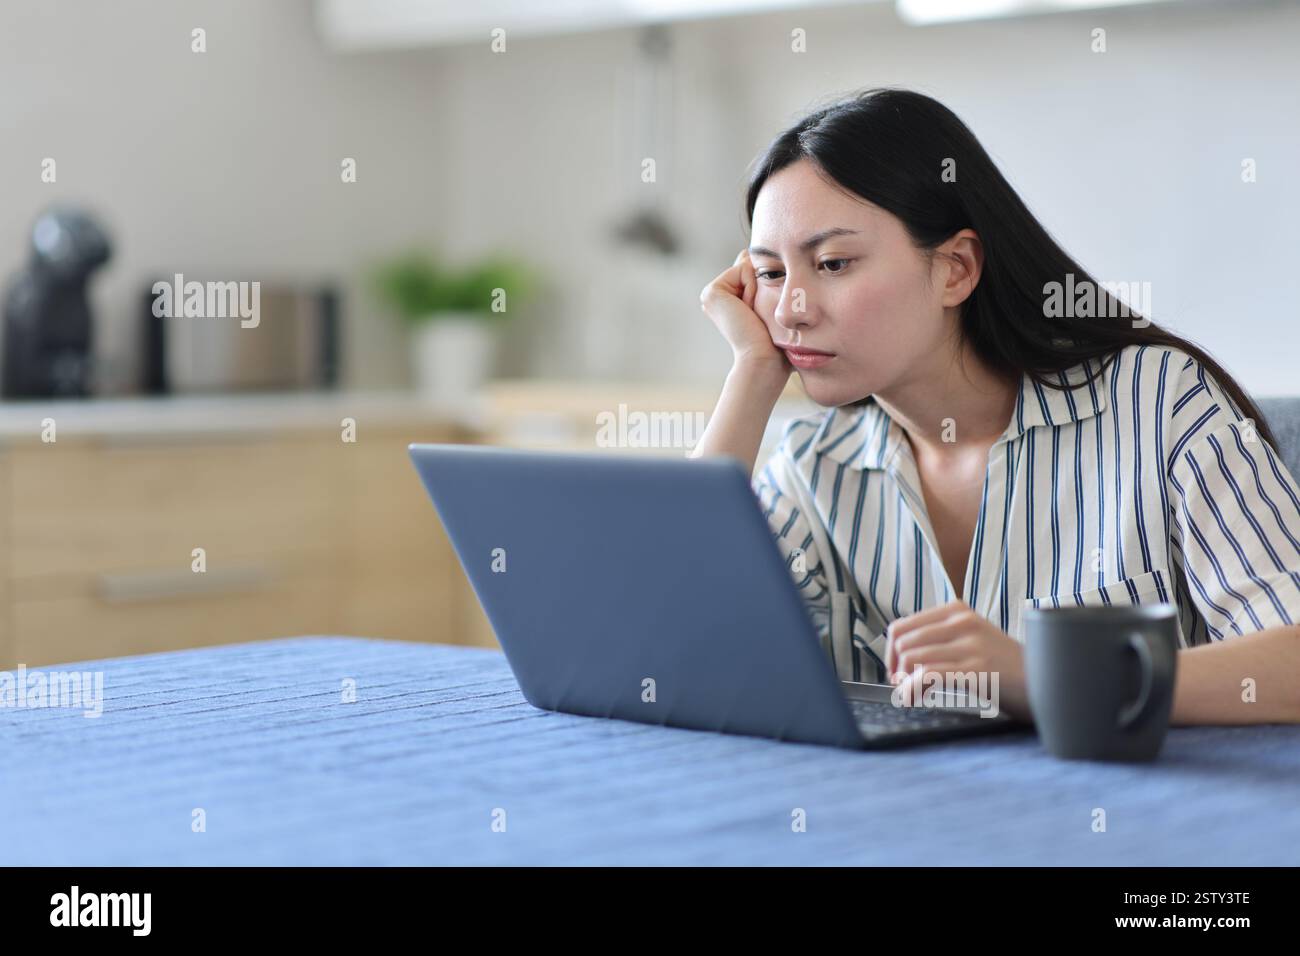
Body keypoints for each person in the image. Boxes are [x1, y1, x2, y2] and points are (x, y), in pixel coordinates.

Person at [691, 88, 1300, 726]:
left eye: (833, 263)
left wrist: (1051, 675)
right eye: (769, 274)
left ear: (956, 268)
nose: (791, 309)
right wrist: (753, 373)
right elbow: (677, 647)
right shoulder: (810, 467)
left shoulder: (1157, 403)